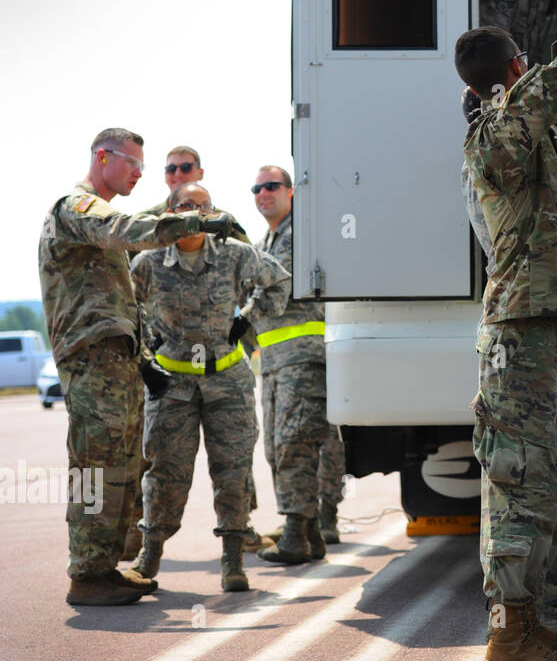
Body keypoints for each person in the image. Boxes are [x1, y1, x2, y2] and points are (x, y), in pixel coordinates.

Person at [458, 0, 557, 661]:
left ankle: (529, 608)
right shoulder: (501, 128)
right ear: (514, 68)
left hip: (542, 323)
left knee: (550, 466)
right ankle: (511, 629)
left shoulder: (523, 125)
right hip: (520, 326)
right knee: (518, 471)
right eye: (525, 60)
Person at [38, 128, 239, 606]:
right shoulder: (76, 207)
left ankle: (105, 567)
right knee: (95, 466)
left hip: (118, 361)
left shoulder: (99, 215)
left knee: (124, 465)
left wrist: (144, 360)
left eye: (143, 166)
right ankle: (87, 574)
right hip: (93, 359)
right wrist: (197, 223)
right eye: (132, 163)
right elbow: (126, 229)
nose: (139, 174)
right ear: (102, 157)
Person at [130, 183, 290, 591]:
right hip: (172, 385)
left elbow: (278, 281)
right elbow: (124, 307)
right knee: (165, 473)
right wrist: (145, 353)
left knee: (233, 471)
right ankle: (149, 554)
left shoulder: (234, 254)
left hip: (228, 383)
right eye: (187, 205)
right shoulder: (148, 261)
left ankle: (233, 560)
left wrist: (248, 317)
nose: (196, 214)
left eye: (204, 207)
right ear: (170, 214)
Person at [248, 166, 349, 563]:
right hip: (276, 361)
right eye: (257, 188)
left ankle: (298, 532)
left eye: (272, 186)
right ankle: (308, 532)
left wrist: (242, 316)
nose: (263, 193)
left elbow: (277, 289)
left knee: (295, 444)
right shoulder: (265, 242)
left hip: (303, 358)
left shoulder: (299, 235)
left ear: (291, 191)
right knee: (277, 447)